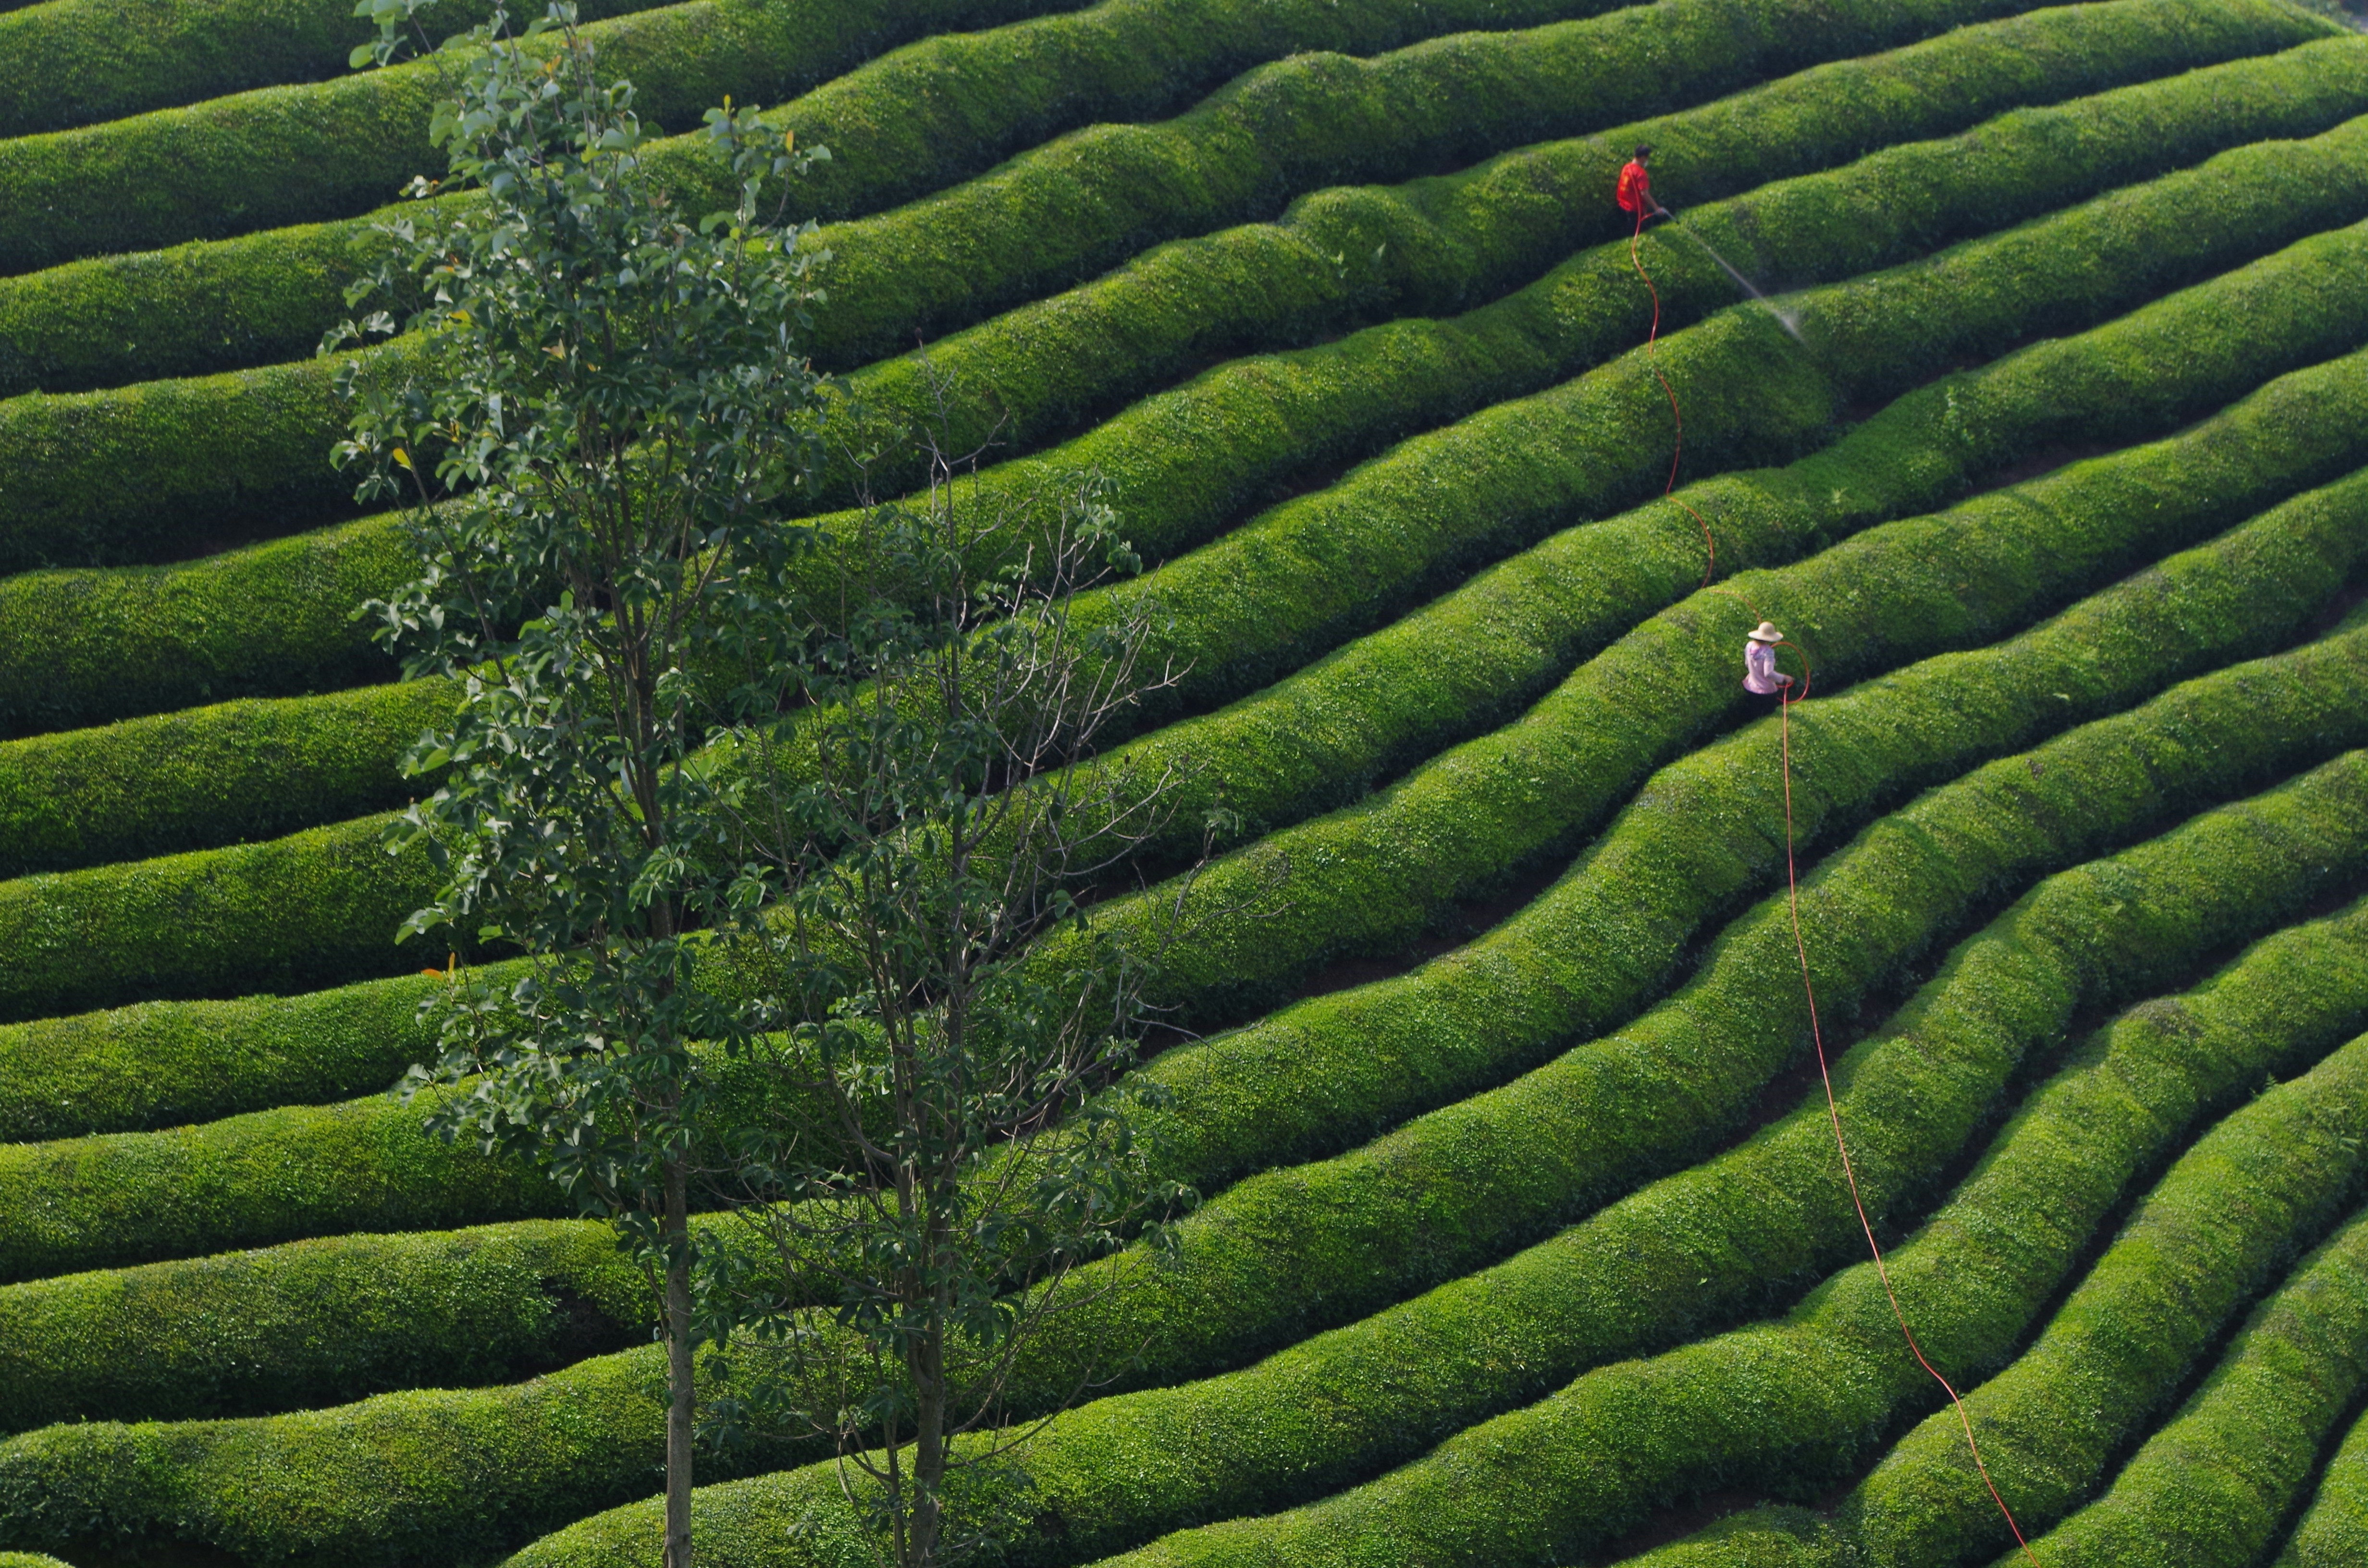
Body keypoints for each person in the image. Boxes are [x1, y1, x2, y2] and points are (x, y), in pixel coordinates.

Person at [1617, 143, 1672, 228]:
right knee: (1638, 232)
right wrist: (1657, 208)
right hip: (1634, 210)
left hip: (1622, 206)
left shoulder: (1626, 168)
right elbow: (1644, 194)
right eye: (1647, 158)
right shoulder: (1641, 173)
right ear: (1643, 158)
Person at [1744, 621, 1794, 697]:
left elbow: (1747, 664)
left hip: (1751, 688)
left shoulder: (1749, 646)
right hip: (1766, 692)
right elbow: (1768, 673)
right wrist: (1784, 678)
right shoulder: (1768, 652)